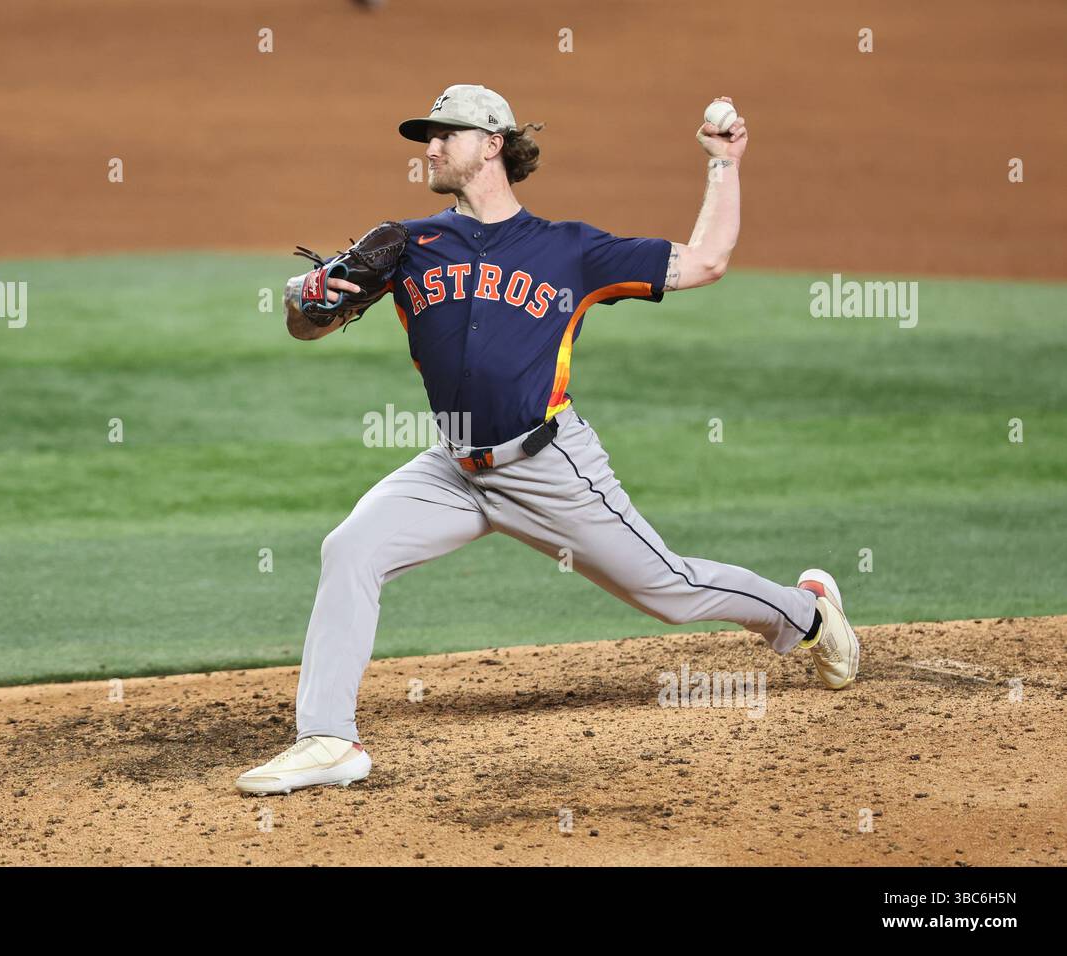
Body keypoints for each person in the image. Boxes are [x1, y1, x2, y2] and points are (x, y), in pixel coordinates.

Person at [235, 84, 859, 797]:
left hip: (548, 466)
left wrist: (724, 163)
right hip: (451, 469)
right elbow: (307, 326)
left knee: (669, 588)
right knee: (350, 548)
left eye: (447, 134)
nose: (430, 147)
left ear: (493, 143)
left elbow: (708, 260)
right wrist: (307, 305)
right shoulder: (410, 244)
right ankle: (328, 740)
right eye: (426, 136)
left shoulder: (572, 250)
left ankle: (809, 613)